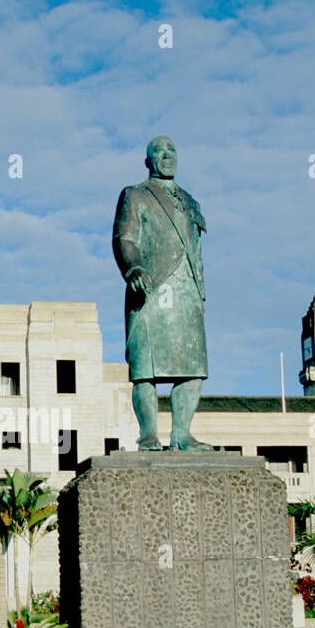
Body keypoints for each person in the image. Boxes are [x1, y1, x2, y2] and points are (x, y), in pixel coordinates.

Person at [112, 135, 213, 451]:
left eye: (172, 149)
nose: (167, 155)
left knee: (192, 367)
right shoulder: (136, 194)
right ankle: (149, 436)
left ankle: (182, 435)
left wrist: (201, 295)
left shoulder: (190, 200)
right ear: (148, 160)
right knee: (146, 370)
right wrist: (133, 269)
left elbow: (196, 251)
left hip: (187, 292)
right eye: (159, 150)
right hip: (151, 289)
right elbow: (124, 238)